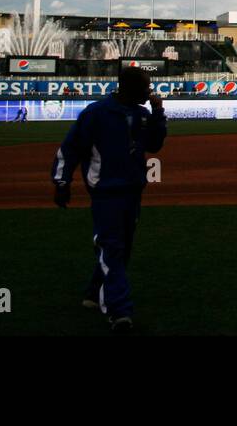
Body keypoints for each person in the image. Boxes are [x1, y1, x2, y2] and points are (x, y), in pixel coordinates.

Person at [51, 67, 167, 333]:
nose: (149, 91)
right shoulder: (96, 113)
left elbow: (155, 145)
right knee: (112, 248)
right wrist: (62, 182)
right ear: (128, 88)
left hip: (133, 190)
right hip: (106, 193)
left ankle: (93, 292)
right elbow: (70, 148)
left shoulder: (143, 114)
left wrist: (158, 111)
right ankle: (119, 311)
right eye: (145, 86)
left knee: (120, 249)